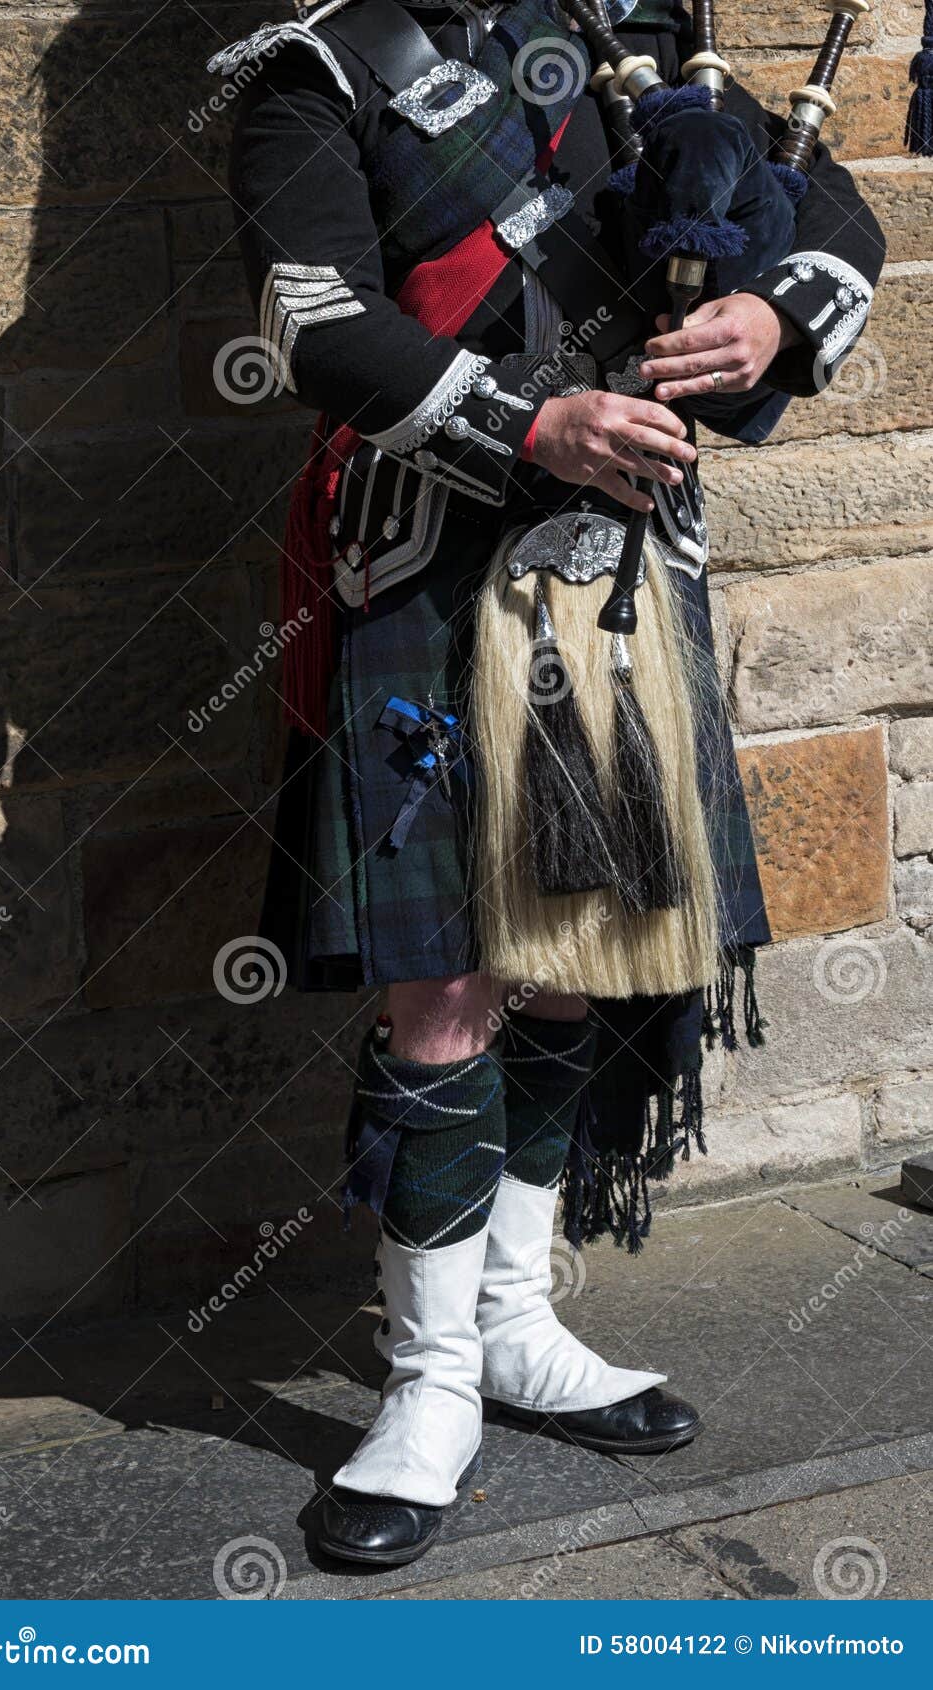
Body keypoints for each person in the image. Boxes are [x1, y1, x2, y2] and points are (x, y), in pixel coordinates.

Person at [220, 0, 885, 1567]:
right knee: (446, 989)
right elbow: (313, 317)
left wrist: (769, 316)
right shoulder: (318, 72)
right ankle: (429, 1380)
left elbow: (837, 215)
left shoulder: (623, 39)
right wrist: (536, 422)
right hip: (426, 569)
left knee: (573, 957)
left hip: (615, 575)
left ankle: (517, 1318)